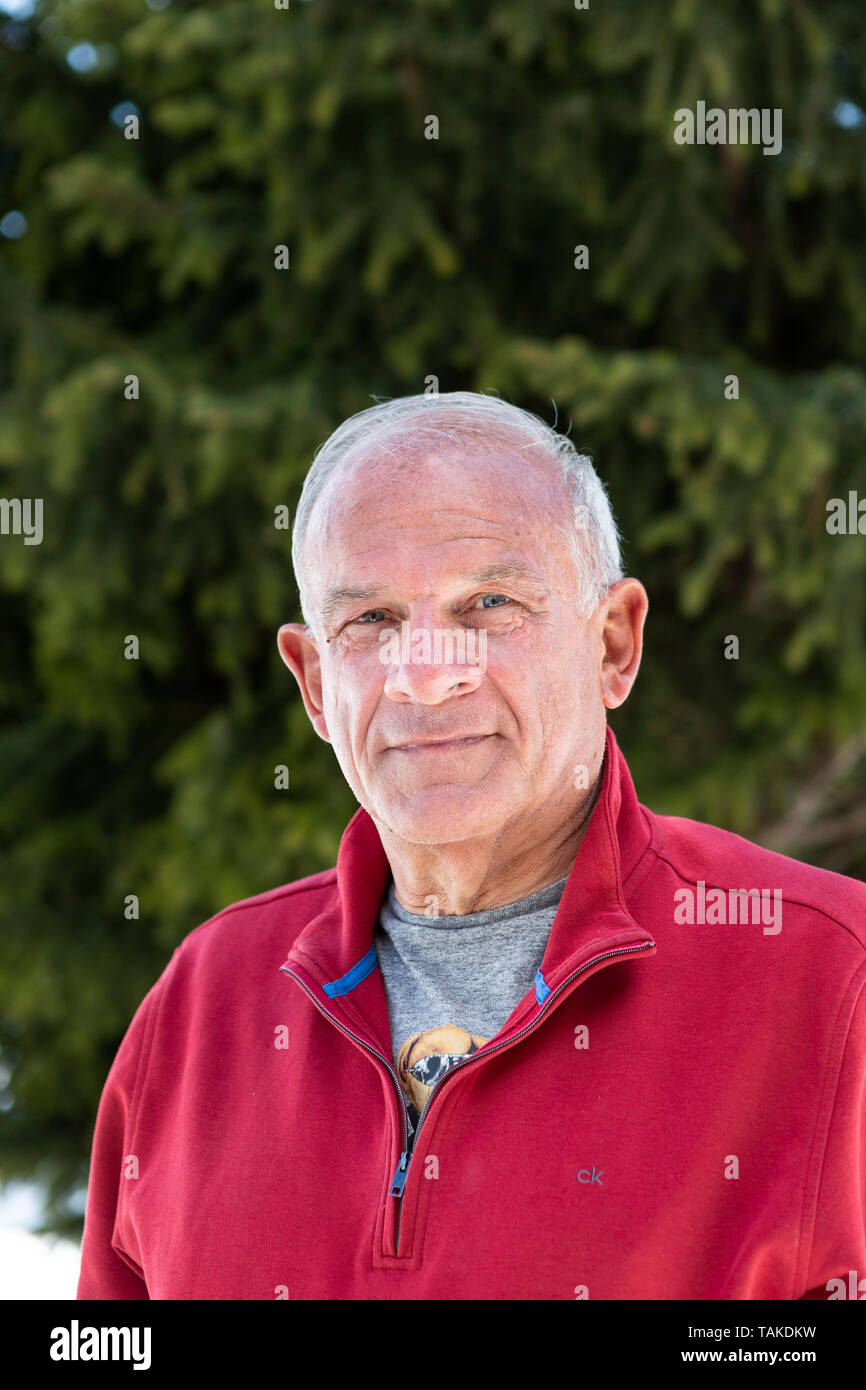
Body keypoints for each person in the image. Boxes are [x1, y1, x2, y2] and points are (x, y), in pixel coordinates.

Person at [77, 391, 866, 1299]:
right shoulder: (202, 1002)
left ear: (614, 643)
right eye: (369, 620)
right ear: (314, 683)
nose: (425, 670)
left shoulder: (827, 980)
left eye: (491, 603)